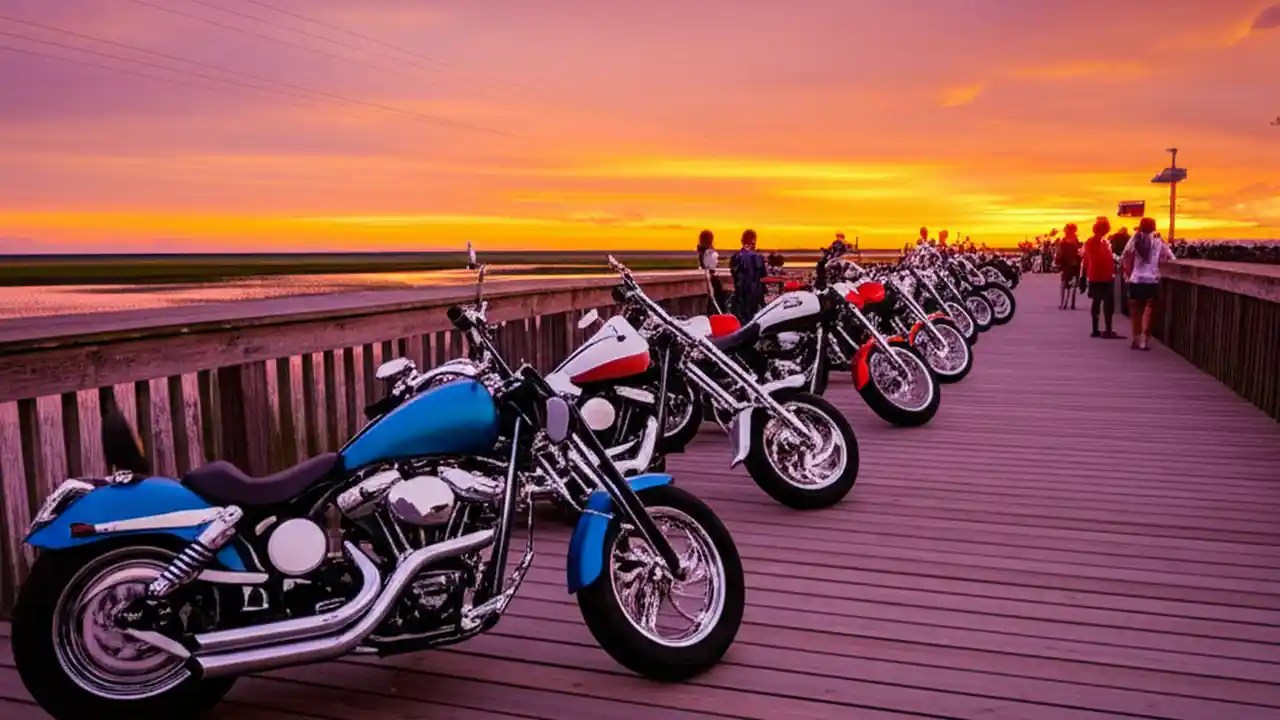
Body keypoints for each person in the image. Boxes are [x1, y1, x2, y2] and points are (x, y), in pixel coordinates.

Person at [1122, 217, 1176, 351]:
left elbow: (1126, 255)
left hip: (1136, 279)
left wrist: (1127, 273)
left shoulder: (1135, 239)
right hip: (1151, 280)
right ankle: (1144, 340)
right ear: (1154, 227)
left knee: (1135, 311)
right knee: (1149, 309)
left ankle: (1136, 338)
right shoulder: (1157, 241)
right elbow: (1171, 257)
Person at [1081, 218, 1120, 338]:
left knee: (1098, 301)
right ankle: (1105, 329)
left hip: (1097, 275)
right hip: (1102, 275)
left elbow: (1086, 260)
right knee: (1106, 302)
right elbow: (1094, 259)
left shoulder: (1097, 242)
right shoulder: (1098, 243)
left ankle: (1097, 329)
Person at [729, 228, 767, 323]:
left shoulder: (735, 256)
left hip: (740, 291)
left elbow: (733, 273)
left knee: (741, 318)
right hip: (754, 292)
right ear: (754, 241)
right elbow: (763, 275)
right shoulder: (758, 257)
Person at [697, 229, 728, 314]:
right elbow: (711, 266)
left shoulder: (701, 252)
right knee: (718, 302)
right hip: (712, 280)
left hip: (706, 279)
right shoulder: (709, 253)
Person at [1056, 224, 1082, 310]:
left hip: (1068, 264)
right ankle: (1069, 303)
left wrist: (1058, 263)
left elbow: (1060, 254)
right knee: (1071, 284)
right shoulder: (1076, 242)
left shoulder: (1064, 241)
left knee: (1065, 284)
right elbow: (1080, 253)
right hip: (1073, 264)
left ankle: (1064, 302)